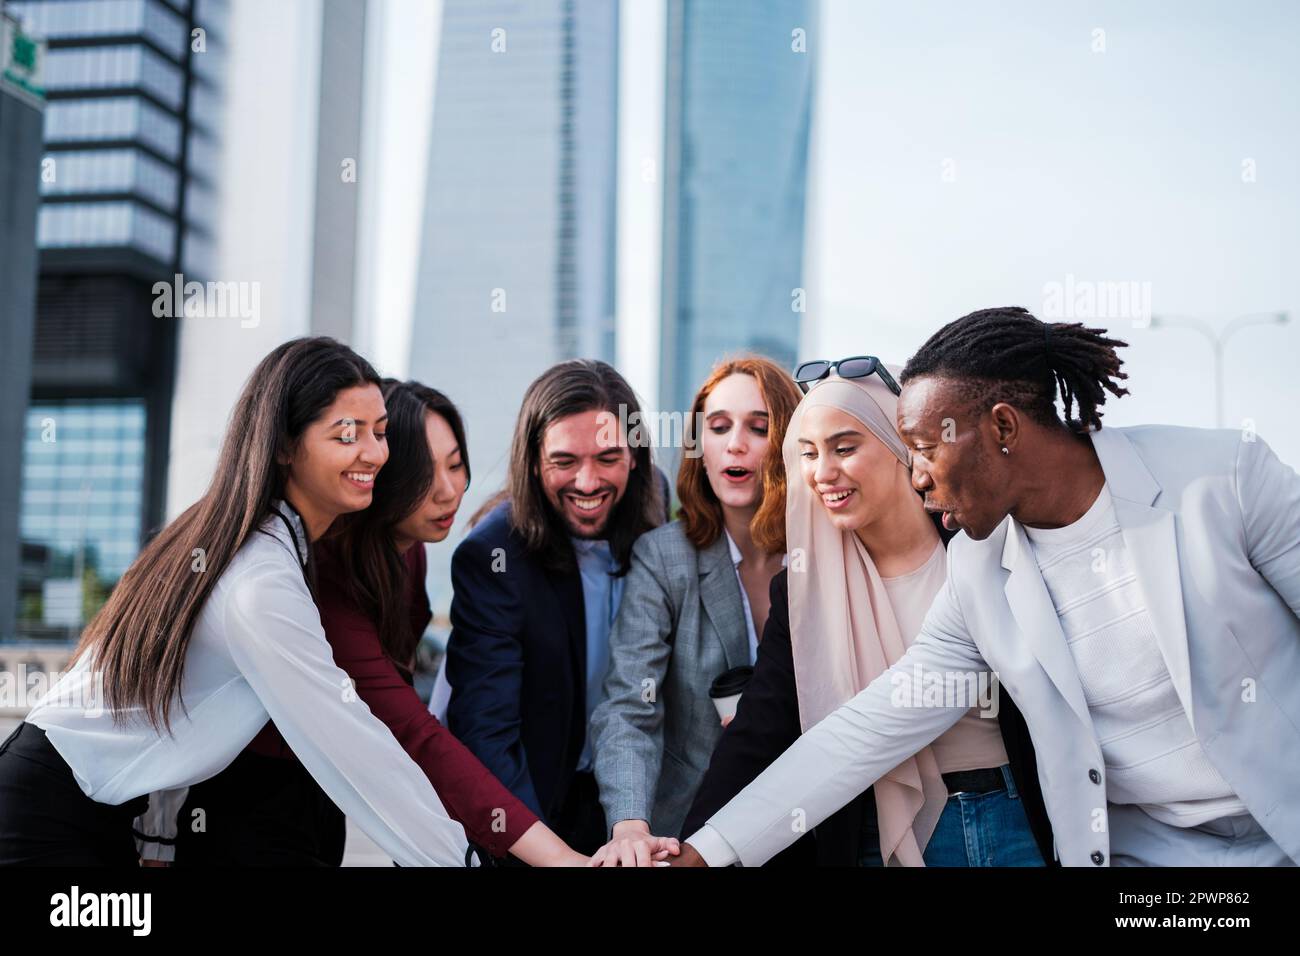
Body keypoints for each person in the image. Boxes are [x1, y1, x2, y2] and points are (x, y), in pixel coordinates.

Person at [673, 307, 1300, 867]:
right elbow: (863, 730)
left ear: (1002, 428)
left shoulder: (1224, 479)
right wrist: (704, 852)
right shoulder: (979, 569)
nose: (914, 476)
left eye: (922, 448)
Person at [0, 338, 468, 867]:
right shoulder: (260, 579)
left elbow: (174, 706)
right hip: (50, 814)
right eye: (347, 433)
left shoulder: (251, 542)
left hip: (87, 809)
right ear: (286, 445)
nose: (375, 453)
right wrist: (458, 859)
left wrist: (158, 839)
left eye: (379, 432)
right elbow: (352, 744)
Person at [138, 380, 605, 866]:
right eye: (425, 474)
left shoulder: (410, 552)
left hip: (323, 791)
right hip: (245, 793)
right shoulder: (324, 573)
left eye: (456, 465)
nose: (449, 492)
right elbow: (410, 732)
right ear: (386, 474)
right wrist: (560, 859)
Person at [680, 359, 1050, 867]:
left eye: (845, 448)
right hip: (880, 834)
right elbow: (759, 731)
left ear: (901, 446)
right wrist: (691, 847)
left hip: (1013, 820)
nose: (823, 473)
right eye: (807, 454)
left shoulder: (983, 547)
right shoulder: (803, 588)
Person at [445, 359, 672, 856]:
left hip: (629, 800)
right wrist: (543, 854)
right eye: (564, 461)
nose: (588, 483)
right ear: (532, 461)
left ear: (636, 457)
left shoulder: (656, 499)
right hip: (530, 804)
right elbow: (485, 735)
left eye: (608, 457)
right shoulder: (493, 556)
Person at [589, 357, 802, 864]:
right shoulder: (664, 557)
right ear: (697, 447)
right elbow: (628, 707)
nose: (735, 444)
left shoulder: (827, 551)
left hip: (812, 824)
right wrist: (630, 827)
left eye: (759, 427)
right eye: (718, 426)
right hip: (690, 829)